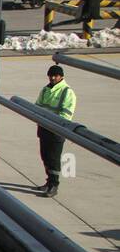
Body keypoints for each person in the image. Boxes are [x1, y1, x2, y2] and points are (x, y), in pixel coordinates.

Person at [34, 64, 76, 197]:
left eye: (55, 76)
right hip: (44, 128)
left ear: (61, 76)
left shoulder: (66, 92)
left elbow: (66, 114)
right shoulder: (45, 90)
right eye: (50, 75)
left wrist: (54, 124)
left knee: (54, 158)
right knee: (45, 155)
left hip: (56, 130)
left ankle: (54, 185)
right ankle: (49, 182)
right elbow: (37, 106)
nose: (52, 78)